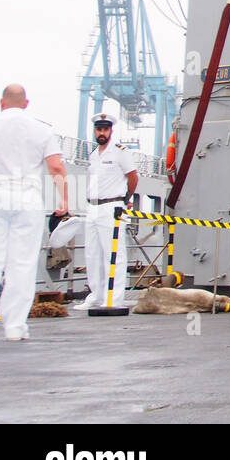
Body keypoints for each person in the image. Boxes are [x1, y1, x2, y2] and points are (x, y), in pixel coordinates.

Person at [0, 83, 67, 341]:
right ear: (26, 104)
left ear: (1, 103)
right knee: (22, 263)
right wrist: (63, 200)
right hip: (27, 197)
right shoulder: (42, 130)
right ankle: (14, 327)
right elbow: (56, 167)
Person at [75, 111, 138, 311]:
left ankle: (114, 298)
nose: (101, 132)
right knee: (92, 254)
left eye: (105, 129)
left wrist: (125, 199)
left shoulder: (120, 151)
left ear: (111, 130)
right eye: (98, 129)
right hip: (92, 207)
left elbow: (133, 176)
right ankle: (96, 296)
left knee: (113, 254)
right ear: (95, 131)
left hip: (112, 206)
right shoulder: (94, 155)